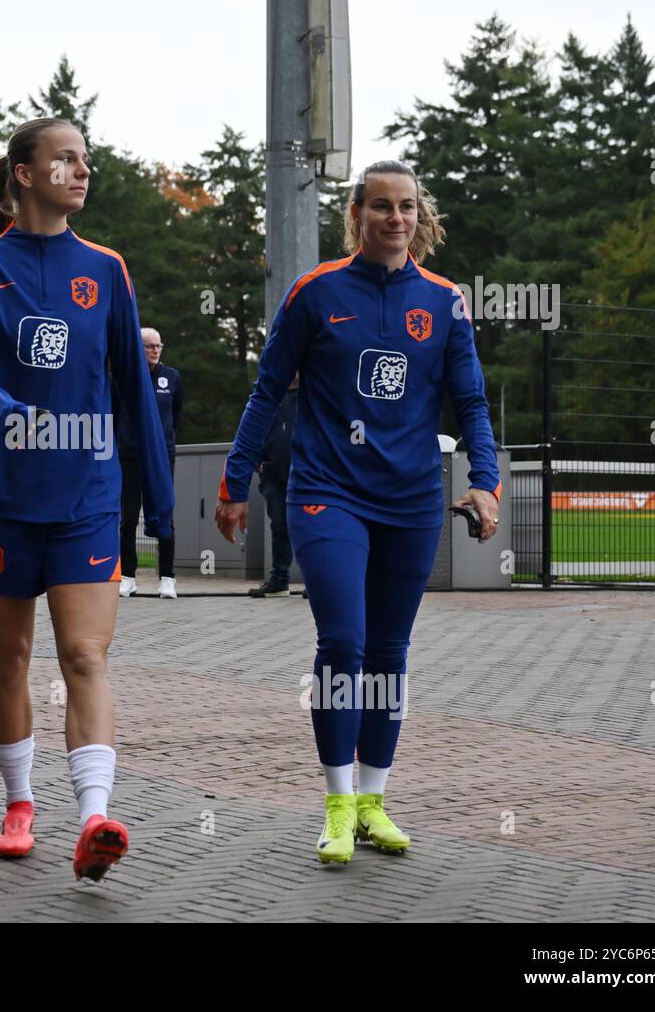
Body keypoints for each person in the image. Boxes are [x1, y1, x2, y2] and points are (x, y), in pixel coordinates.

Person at [214, 160, 500, 864]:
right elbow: (266, 390)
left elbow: (470, 403)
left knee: (388, 654)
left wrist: (486, 480)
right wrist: (234, 480)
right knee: (343, 641)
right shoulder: (315, 293)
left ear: (417, 216)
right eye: (380, 207)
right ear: (355, 215)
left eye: (405, 207)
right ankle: (337, 805)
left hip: (409, 501)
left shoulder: (444, 302)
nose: (394, 219)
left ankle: (374, 802)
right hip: (326, 492)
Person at [0, 117, 173, 880]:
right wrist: (10, 412)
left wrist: (162, 501)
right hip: (3, 494)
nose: (82, 172)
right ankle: (18, 803)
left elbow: (131, 387)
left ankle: (95, 817)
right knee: (9, 655)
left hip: (87, 494)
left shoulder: (105, 268)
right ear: (23, 174)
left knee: (83, 654)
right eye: (65, 160)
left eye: (86, 160)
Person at [115, 326, 182, 599]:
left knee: (164, 513)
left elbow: (175, 416)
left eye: (158, 345)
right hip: (130, 454)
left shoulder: (172, 377)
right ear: (137, 348)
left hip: (161, 456)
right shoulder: (123, 377)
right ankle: (128, 576)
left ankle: (167, 578)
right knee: (128, 517)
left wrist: (162, 442)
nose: (155, 350)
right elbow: (113, 412)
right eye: (149, 346)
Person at [248, 375, 299, 598]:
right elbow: (252, 427)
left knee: (312, 528)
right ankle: (279, 581)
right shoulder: (267, 393)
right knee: (279, 527)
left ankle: (318, 581)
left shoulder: (316, 390)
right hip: (273, 474)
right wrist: (258, 463)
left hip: (308, 475)